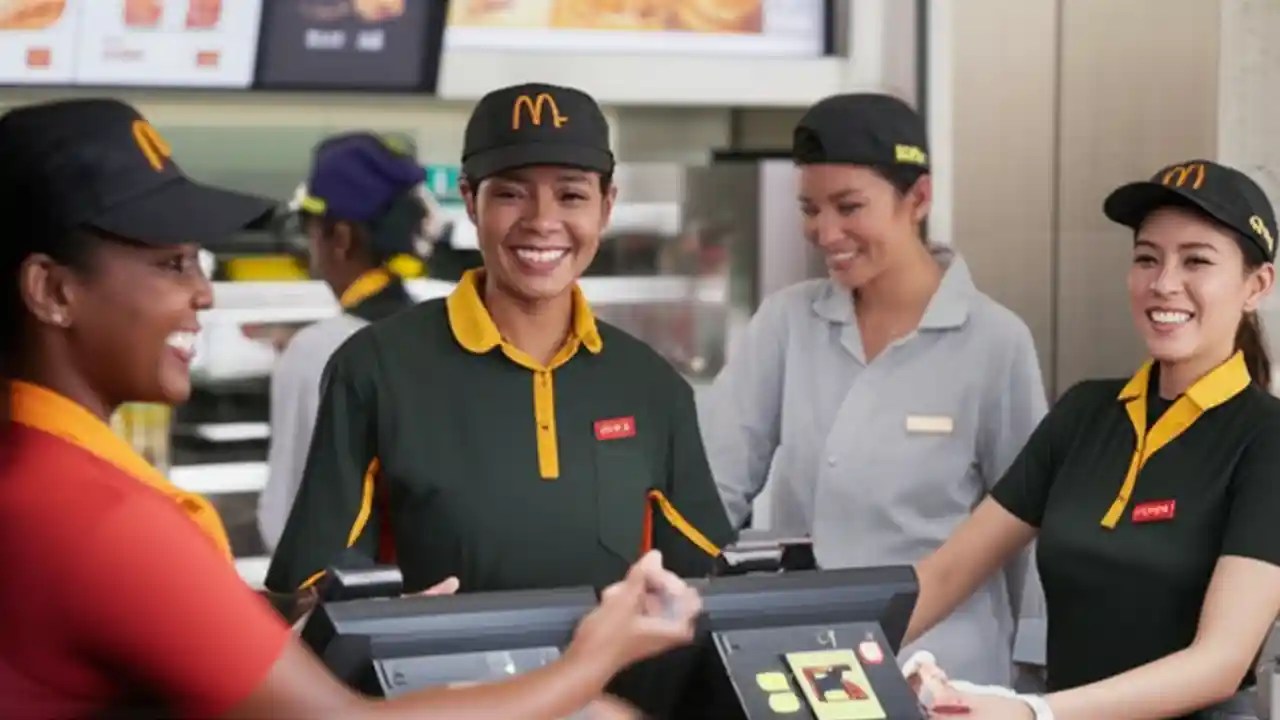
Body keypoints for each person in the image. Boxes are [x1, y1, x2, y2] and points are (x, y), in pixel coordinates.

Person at [0, 97, 704, 720]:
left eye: (198, 262)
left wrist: (364, 630)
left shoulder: (48, 482)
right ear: (52, 292)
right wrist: (589, 663)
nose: (204, 293)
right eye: (171, 264)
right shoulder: (98, 518)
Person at [264, 81, 735, 715]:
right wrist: (385, 622)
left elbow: (708, 586)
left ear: (607, 206)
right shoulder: (374, 368)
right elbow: (309, 588)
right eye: (511, 193)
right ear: (470, 199)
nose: (542, 220)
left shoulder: (650, 386)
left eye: (571, 195)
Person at [903, 159, 1280, 720]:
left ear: (1257, 285)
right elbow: (947, 573)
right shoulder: (1084, 413)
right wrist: (826, 644)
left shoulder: (1265, 439)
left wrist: (1033, 713)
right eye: (1147, 258)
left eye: (1196, 260)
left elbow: (1219, 662)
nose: (1163, 283)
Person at [698, 92, 1048, 687]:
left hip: (950, 675)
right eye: (810, 208)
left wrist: (1034, 670)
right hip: (811, 657)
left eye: (849, 206)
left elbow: (1026, 527)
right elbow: (715, 487)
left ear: (919, 198)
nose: (825, 231)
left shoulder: (994, 341)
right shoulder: (787, 323)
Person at [258, 131, 431, 553]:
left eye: (310, 228)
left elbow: (288, 521)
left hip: (354, 588)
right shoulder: (443, 334)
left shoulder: (318, 352)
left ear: (340, 237)